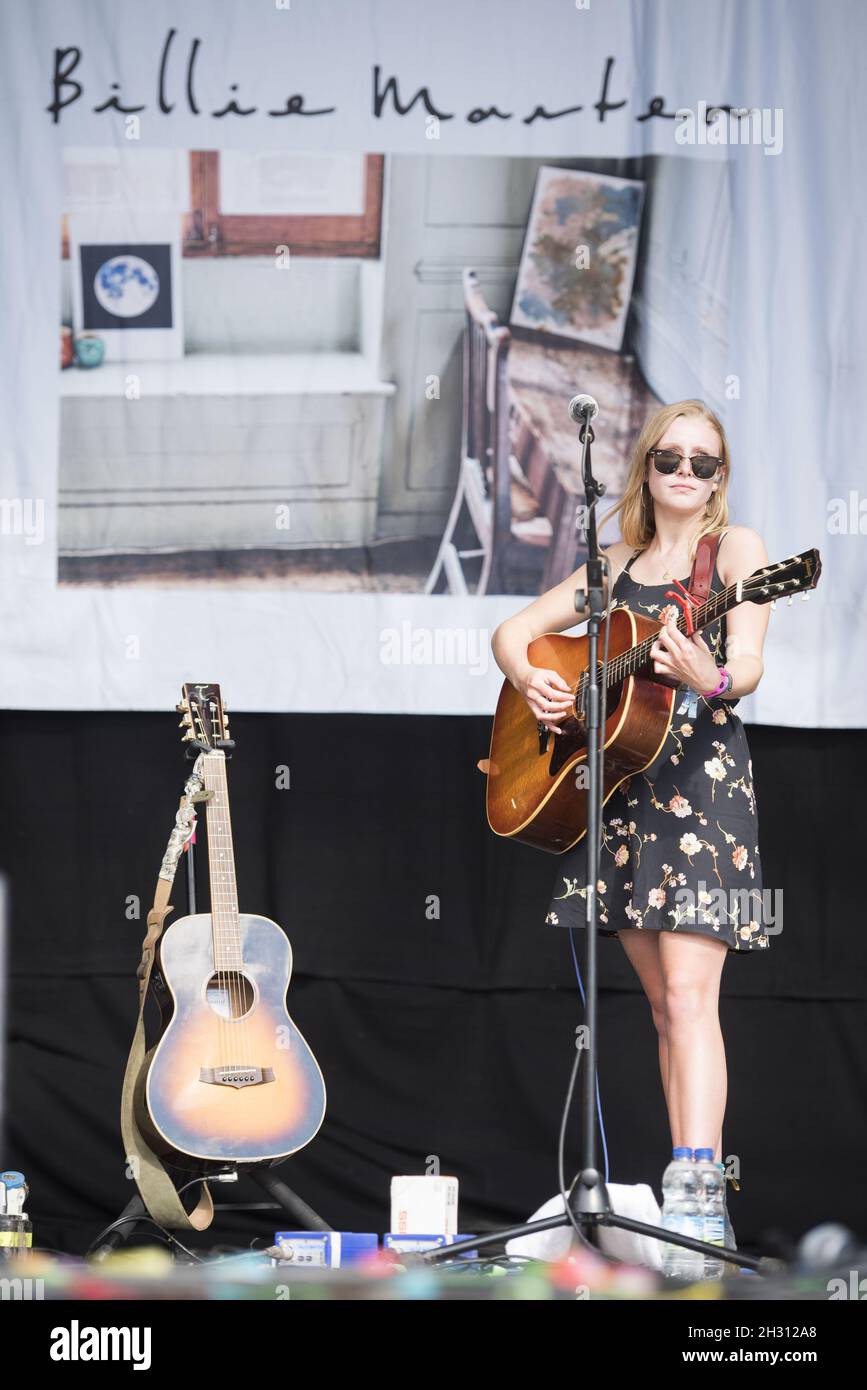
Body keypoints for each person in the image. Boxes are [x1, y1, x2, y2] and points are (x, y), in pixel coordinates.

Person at [491, 399, 771, 1179]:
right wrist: (535, 683)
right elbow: (511, 634)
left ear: (719, 477)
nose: (684, 473)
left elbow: (745, 665)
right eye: (669, 458)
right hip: (620, 790)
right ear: (646, 465)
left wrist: (706, 673)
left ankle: (697, 1184)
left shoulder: (735, 551)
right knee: (659, 1007)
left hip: (700, 789)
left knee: (689, 998)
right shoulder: (610, 565)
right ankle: (686, 1175)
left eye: (702, 462)